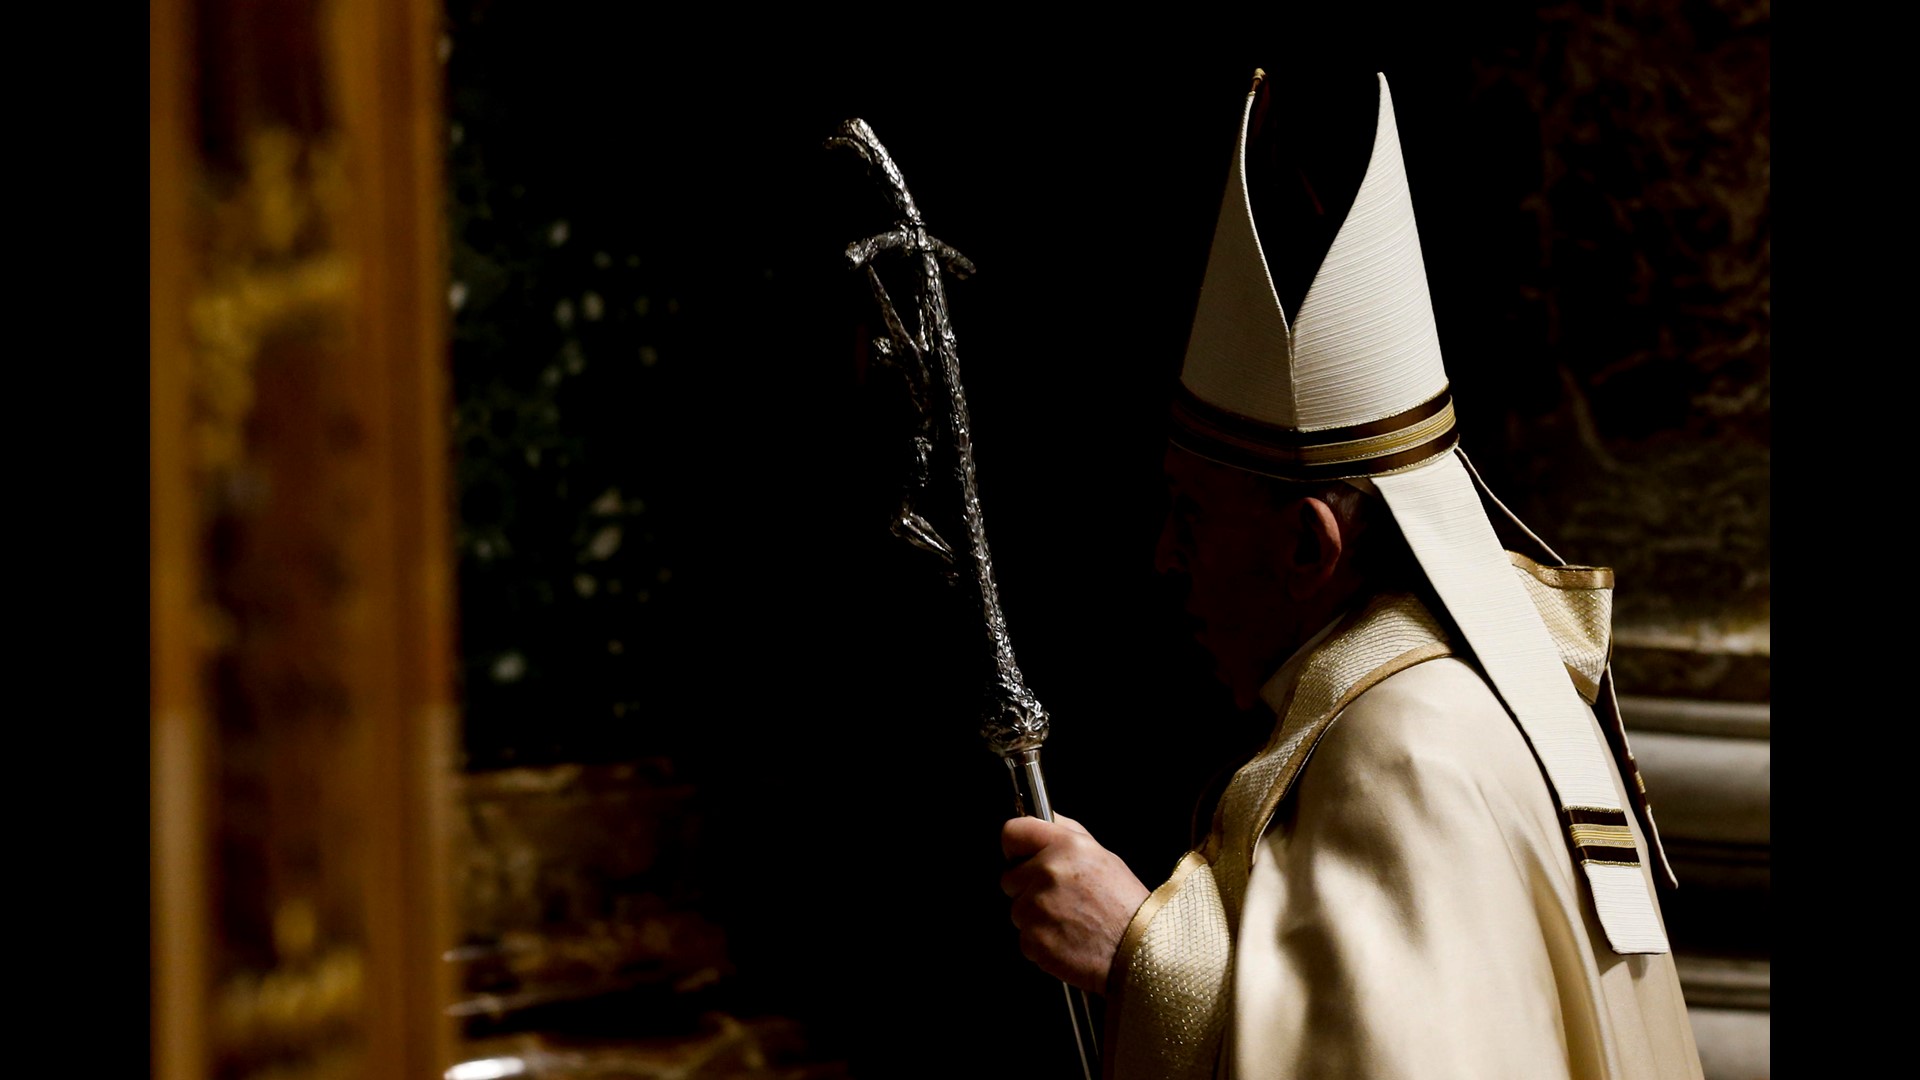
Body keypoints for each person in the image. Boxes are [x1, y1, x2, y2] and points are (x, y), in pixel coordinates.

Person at [998, 70, 1705, 1079]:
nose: (1163, 558)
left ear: (1307, 548)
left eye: (1191, 516)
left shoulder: (1405, 749)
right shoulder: (1452, 702)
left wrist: (1139, 959)